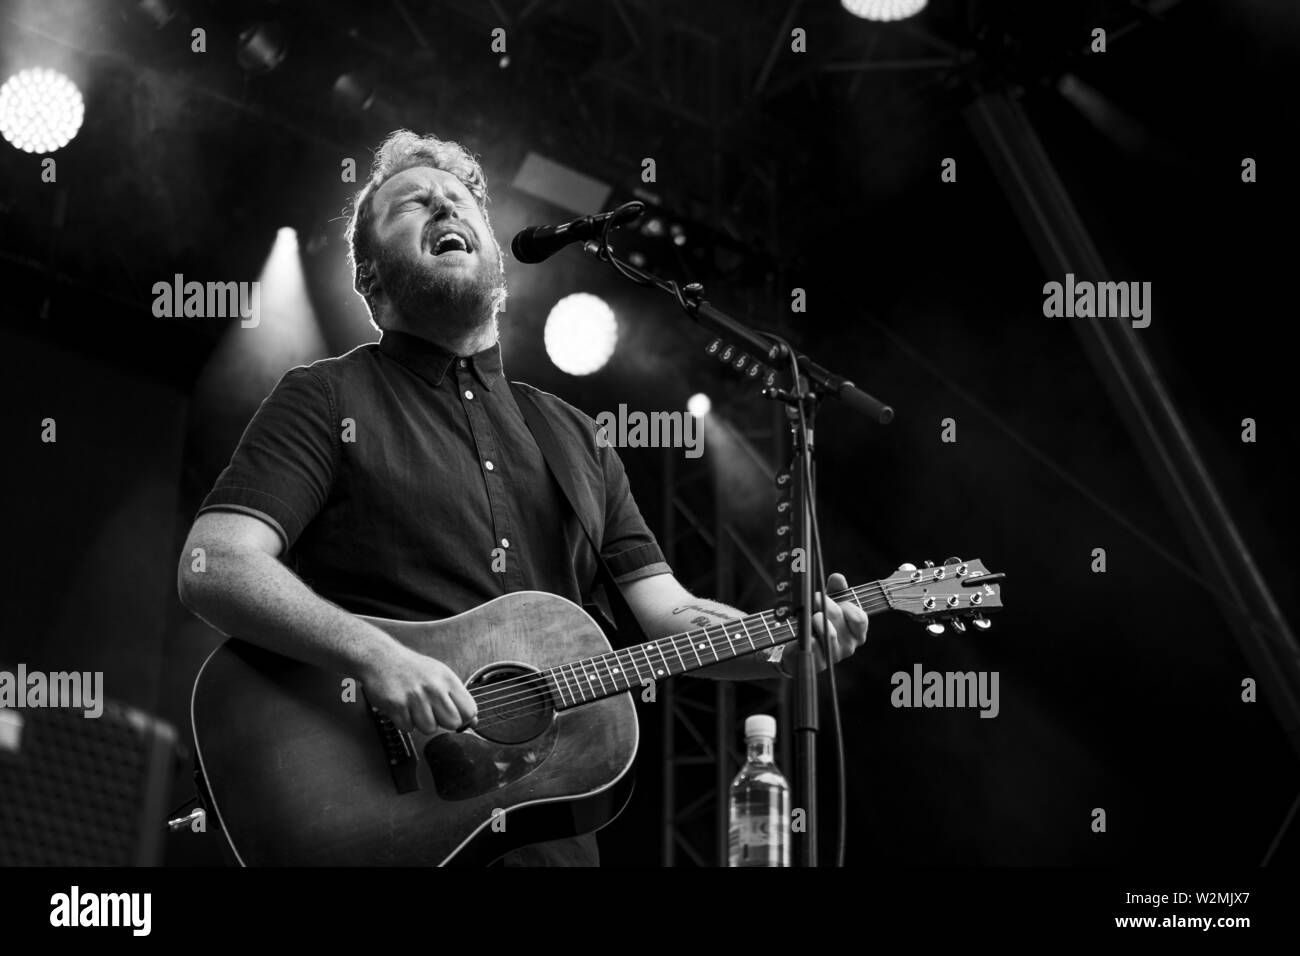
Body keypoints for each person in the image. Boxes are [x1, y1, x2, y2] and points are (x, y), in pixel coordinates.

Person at [177, 129, 869, 866]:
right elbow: (214, 564)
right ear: (374, 282)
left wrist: (780, 646)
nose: (444, 201)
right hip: (372, 829)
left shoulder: (577, 436)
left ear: (495, 256)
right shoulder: (326, 396)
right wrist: (375, 655)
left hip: (550, 847)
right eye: (411, 204)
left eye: (461, 198)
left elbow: (671, 616)